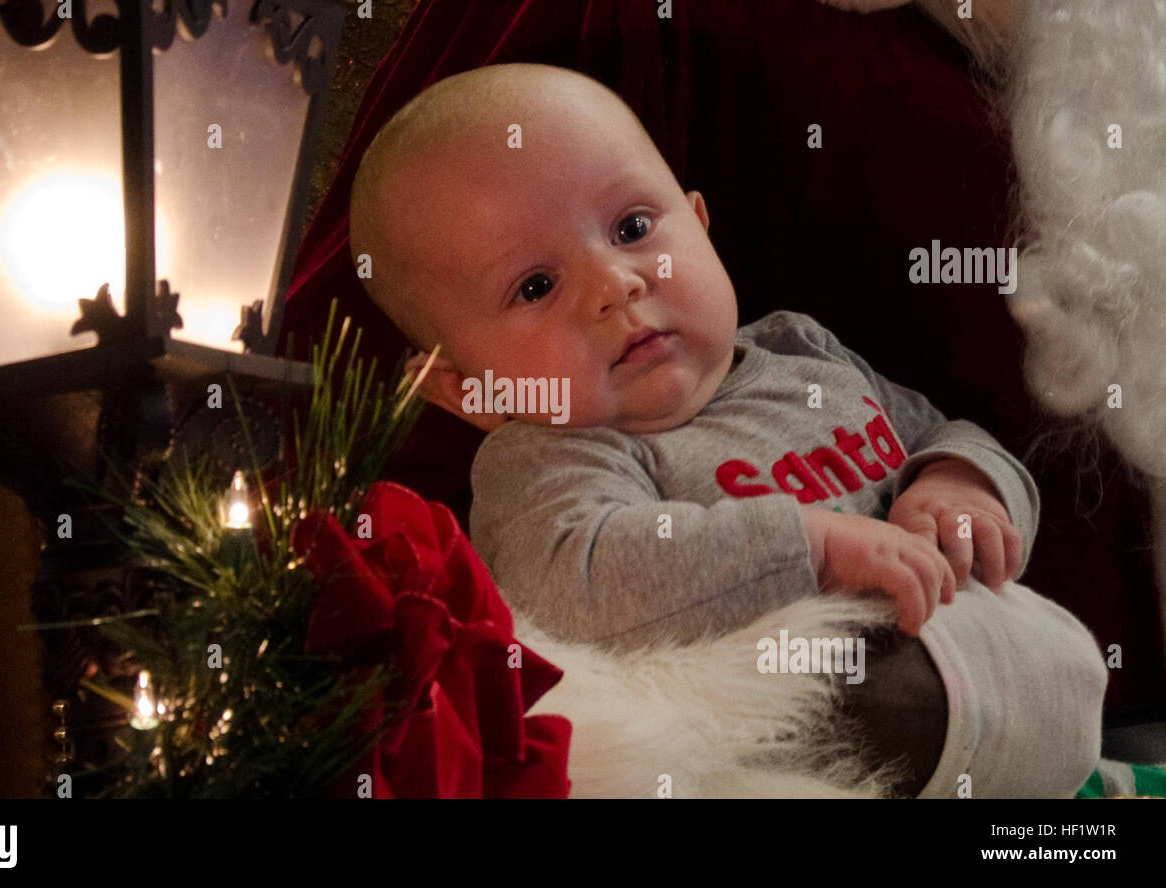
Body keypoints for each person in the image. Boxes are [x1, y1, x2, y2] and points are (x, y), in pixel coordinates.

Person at [347, 62, 1107, 797]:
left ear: (701, 224)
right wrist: (810, 548)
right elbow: (576, 582)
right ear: (466, 389)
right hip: (841, 739)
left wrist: (958, 483)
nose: (617, 285)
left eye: (634, 226)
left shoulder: (797, 349)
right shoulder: (549, 456)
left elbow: (942, 433)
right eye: (535, 286)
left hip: (1016, 686)